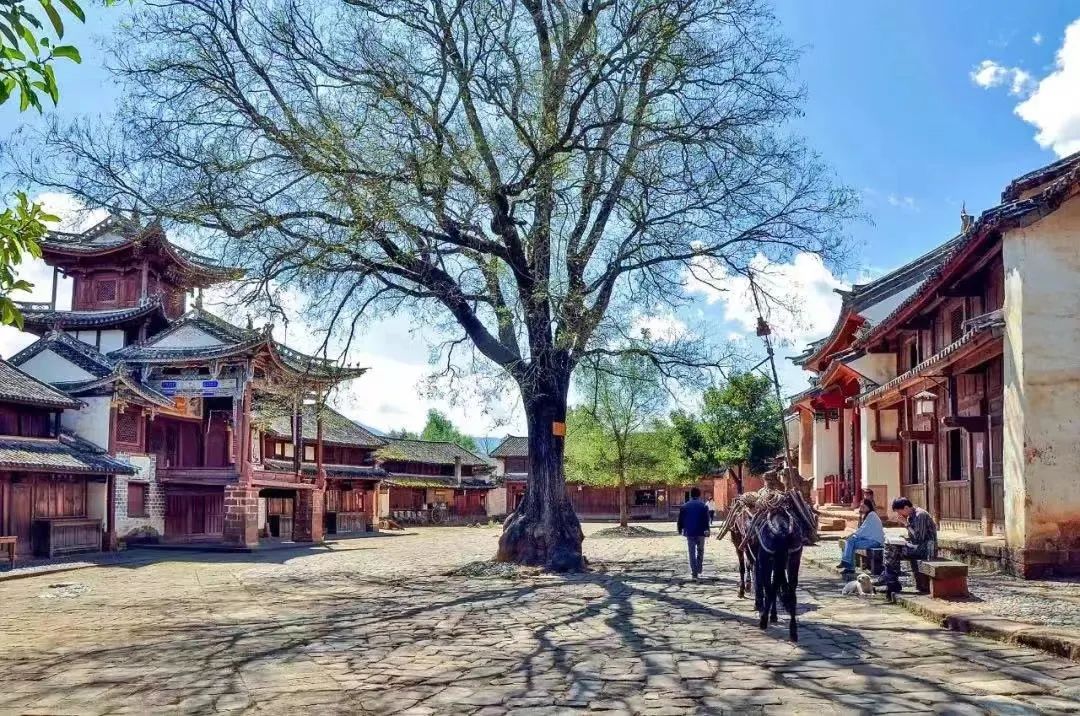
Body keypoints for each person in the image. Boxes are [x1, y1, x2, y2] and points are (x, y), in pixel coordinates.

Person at [879, 497, 938, 593]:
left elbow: (919, 538)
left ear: (906, 508)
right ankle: (890, 580)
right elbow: (914, 537)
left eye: (899, 511)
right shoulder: (911, 516)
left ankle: (890, 580)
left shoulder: (920, 515)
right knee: (890, 545)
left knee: (893, 550)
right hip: (917, 546)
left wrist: (906, 524)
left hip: (926, 549)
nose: (899, 514)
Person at [836, 498, 884, 571]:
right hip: (869, 539)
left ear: (869, 507)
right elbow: (862, 529)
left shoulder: (872, 515)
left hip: (875, 541)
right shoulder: (868, 515)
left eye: (863, 507)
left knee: (850, 543)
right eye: (861, 506)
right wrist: (860, 515)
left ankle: (848, 565)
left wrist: (852, 535)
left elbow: (863, 530)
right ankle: (847, 563)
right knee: (850, 541)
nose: (862, 508)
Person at [677, 487, 711, 579]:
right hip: (701, 532)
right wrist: (707, 530)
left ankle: (694, 571)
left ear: (691, 495)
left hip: (690, 532)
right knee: (700, 550)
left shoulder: (684, 506)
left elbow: (680, 520)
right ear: (699, 495)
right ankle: (699, 567)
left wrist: (680, 529)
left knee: (691, 552)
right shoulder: (703, 506)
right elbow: (706, 520)